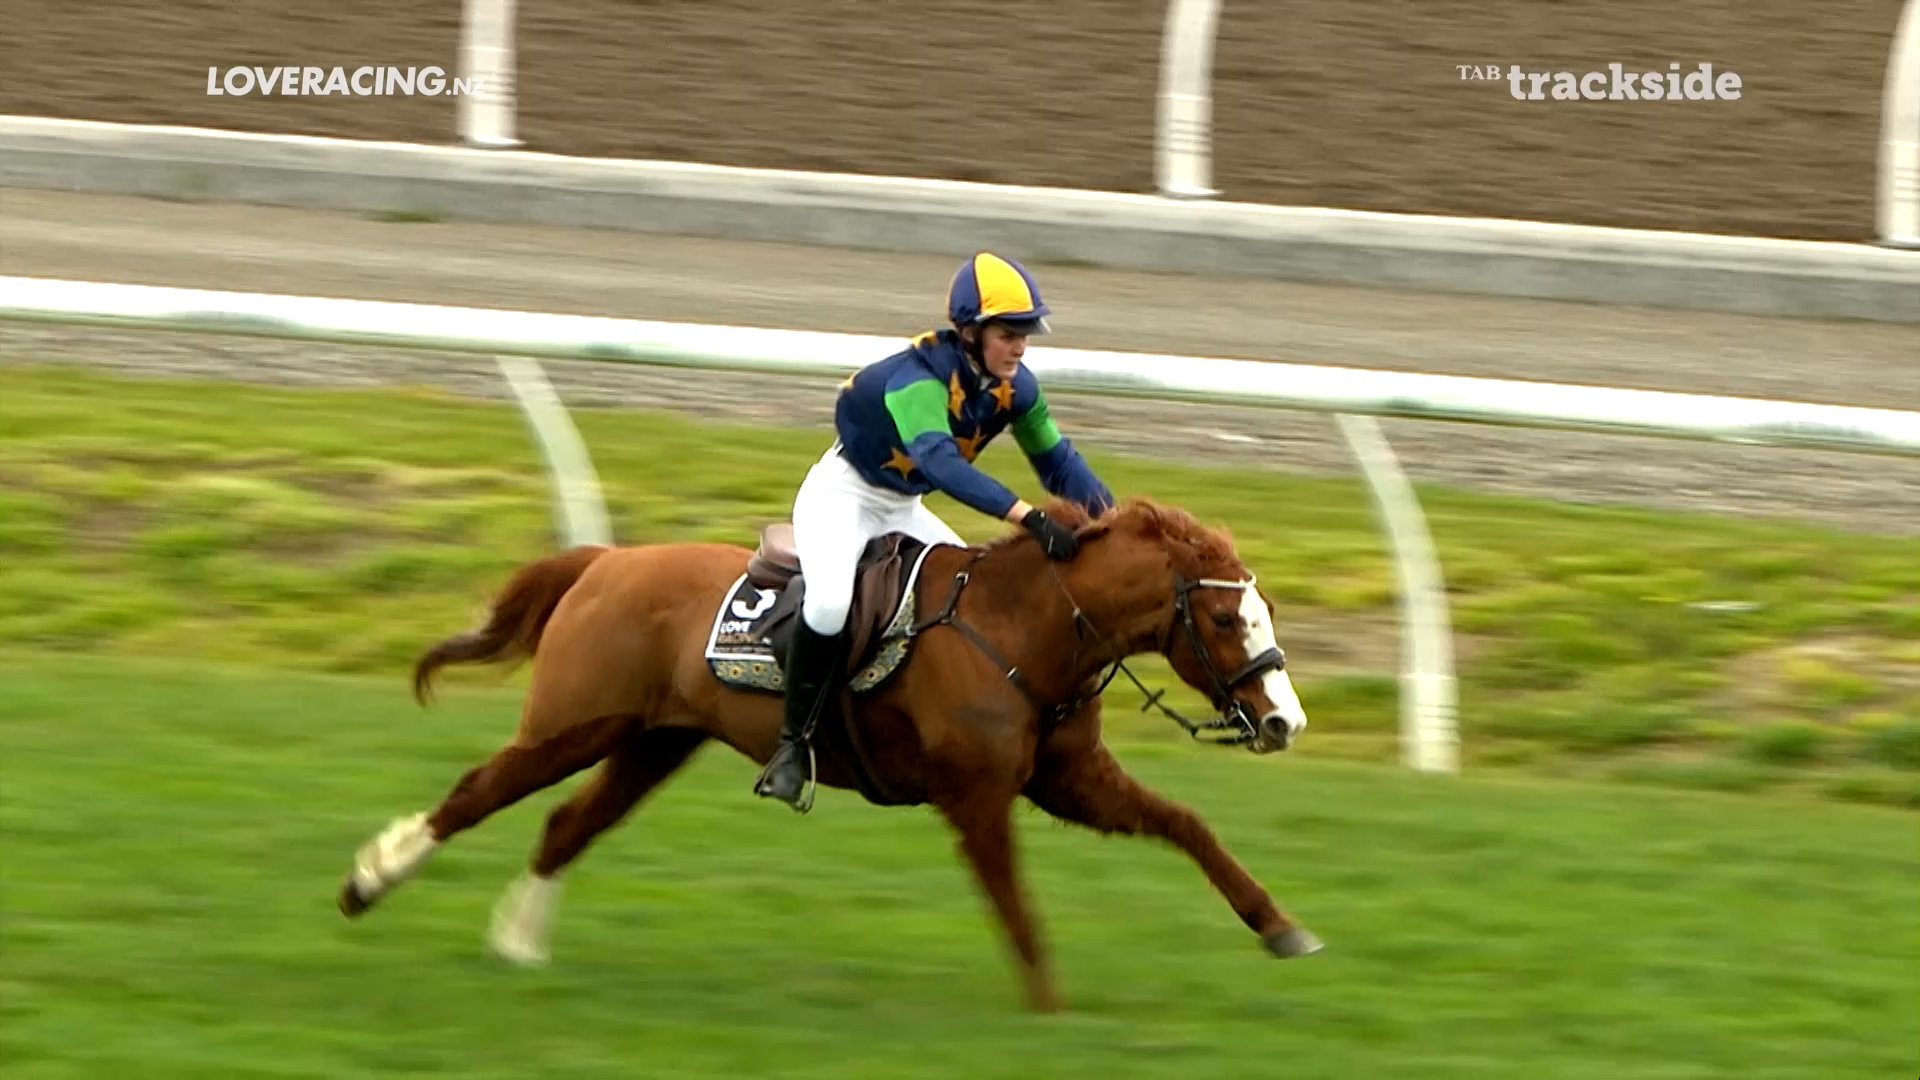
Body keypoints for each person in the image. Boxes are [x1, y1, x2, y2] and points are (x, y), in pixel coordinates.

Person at [753, 251, 1117, 811]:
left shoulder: (1016, 388)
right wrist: (1026, 516)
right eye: (1008, 333)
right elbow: (942, 465)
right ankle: (792, 745)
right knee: (828, 606)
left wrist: (1114, 523)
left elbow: (1058, 462)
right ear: (970, 332)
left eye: (1025, 334)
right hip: (841, 496)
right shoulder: (917, 380)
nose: (1020, 346)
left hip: (902, 504)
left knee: (967, 593)